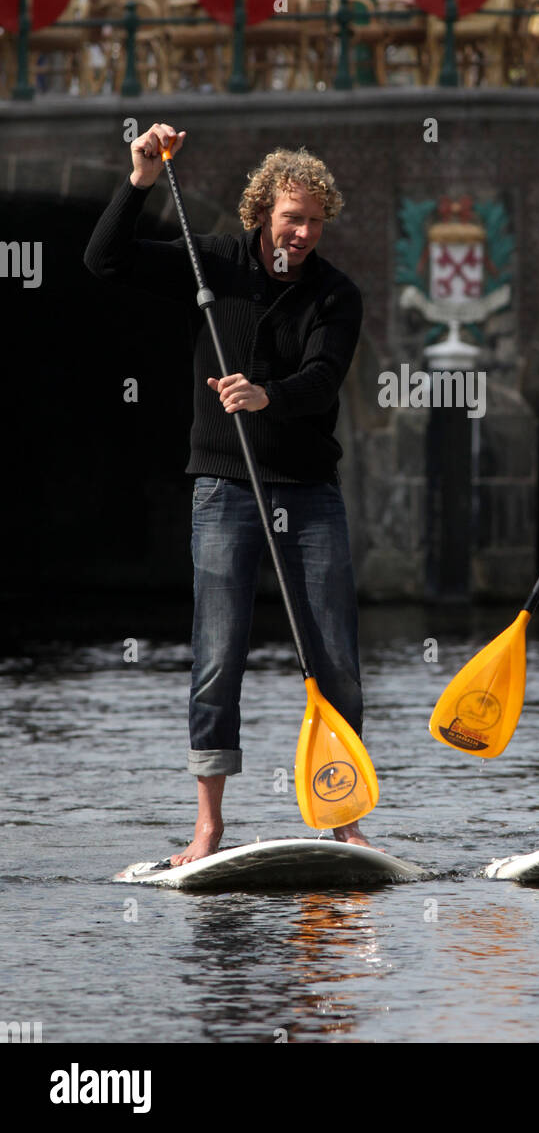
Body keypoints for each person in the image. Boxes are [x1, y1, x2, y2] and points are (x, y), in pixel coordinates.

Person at [84, 123, 370, 863]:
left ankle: (342, 816)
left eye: (313, 222)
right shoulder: (211, 263)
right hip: (224, 486)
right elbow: (103, 260)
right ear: (261, 216)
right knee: (218, 655)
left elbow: (321, 379)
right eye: (290, 219)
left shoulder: (337, 294)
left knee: (332, 653)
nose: (302, 234)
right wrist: (142, 177)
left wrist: (266, 395)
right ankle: (208, 825)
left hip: (307, 489)